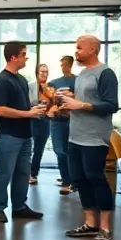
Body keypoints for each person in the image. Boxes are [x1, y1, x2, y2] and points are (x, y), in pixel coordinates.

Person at [58, 36, 120, 240]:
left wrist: (80, 105)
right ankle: (90, 223)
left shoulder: (105, 73)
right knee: (79, 179)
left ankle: (105, 226)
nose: (76, 52)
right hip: (76, 136)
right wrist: (70, 101)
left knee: (96, 178)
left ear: (93, 49)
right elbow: (83, 102)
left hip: (94, 138)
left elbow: (111, 105)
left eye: (79, 48)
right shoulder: (83, 74)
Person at [0, 42, 47, 223]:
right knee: (4, 172)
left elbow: (22, 105)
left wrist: (36, 109)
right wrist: (28, 113)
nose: (26, 58)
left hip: (24, 134)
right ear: (13, 57)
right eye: (23, 54)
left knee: (23, 172)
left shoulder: (21, 80)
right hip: (9, 135)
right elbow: (0, 110)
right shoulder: (1, 81)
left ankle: (19, 206)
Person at [49, 55, 76, 194]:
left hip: (73, 120)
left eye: (66, 64)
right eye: (62, 65)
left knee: (71, 151)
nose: (64, 67)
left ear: (71, 64)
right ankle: (67, 180)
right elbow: (48, 100)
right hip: (57, 121)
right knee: (60, 151)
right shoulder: (54, 82)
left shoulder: (77, 80)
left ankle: (72, 181)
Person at [28, 63, 54, 185]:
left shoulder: (51, 87)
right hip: (33, 118)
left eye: (46, 71)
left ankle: (33, 173)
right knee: (28, 147)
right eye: (41, 71)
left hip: (45, 120)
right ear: (37, 73)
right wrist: (36, 105)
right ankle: (25, 172)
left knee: (39, 149)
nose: (44, 74)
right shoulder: (31, 86)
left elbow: (55, 103)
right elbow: (27, 102)